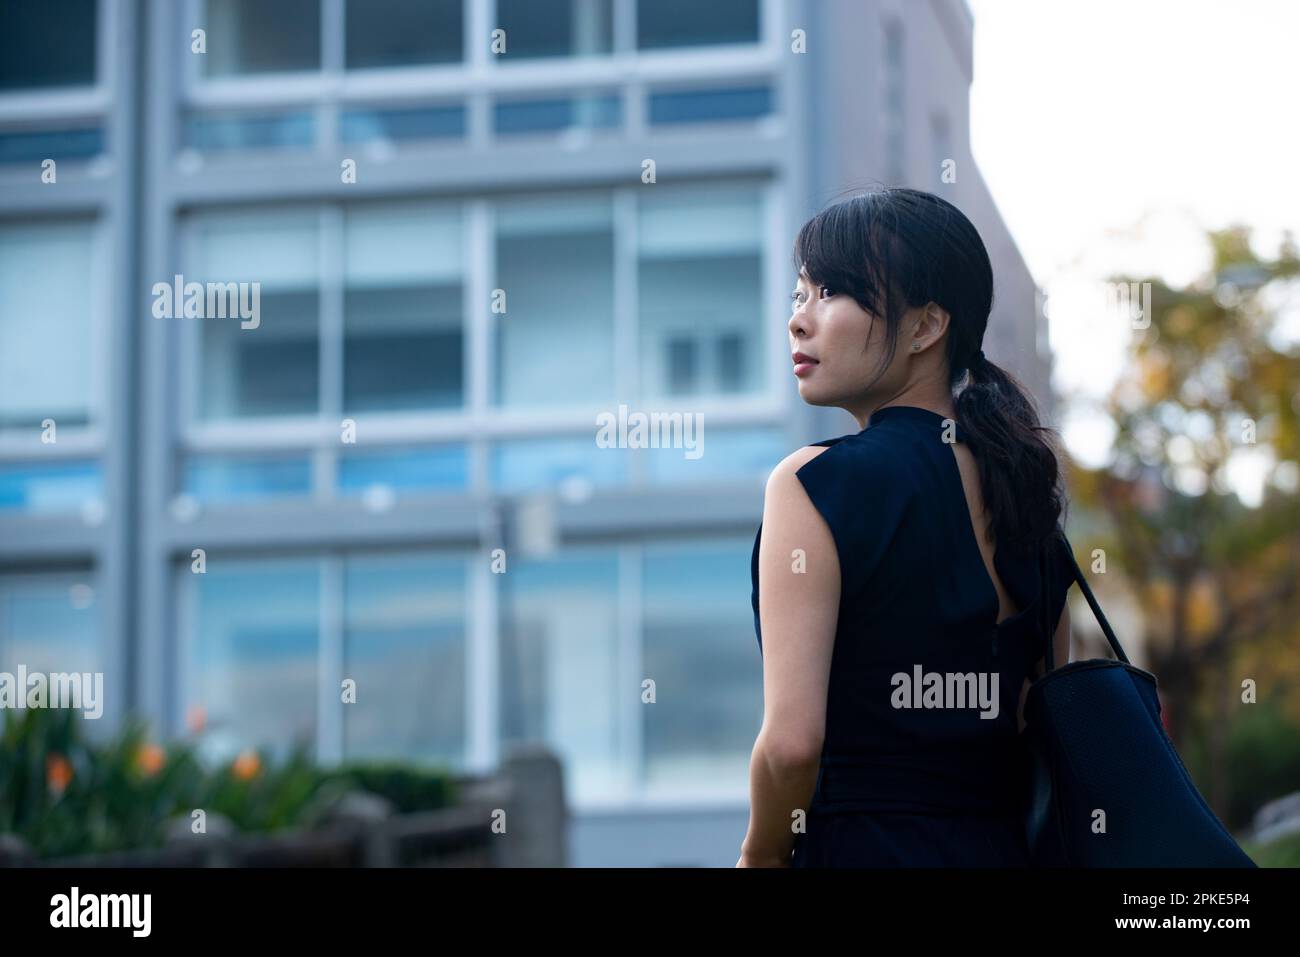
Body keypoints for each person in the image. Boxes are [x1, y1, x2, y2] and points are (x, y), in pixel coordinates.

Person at [738, 187, 1075, 867]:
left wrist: (760, 856)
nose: (798, 321)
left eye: (832, 292)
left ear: (926, 326)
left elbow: (792, 744)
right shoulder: (1028, 496)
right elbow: (1040, 722)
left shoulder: (813, 484)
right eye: (799, 293)